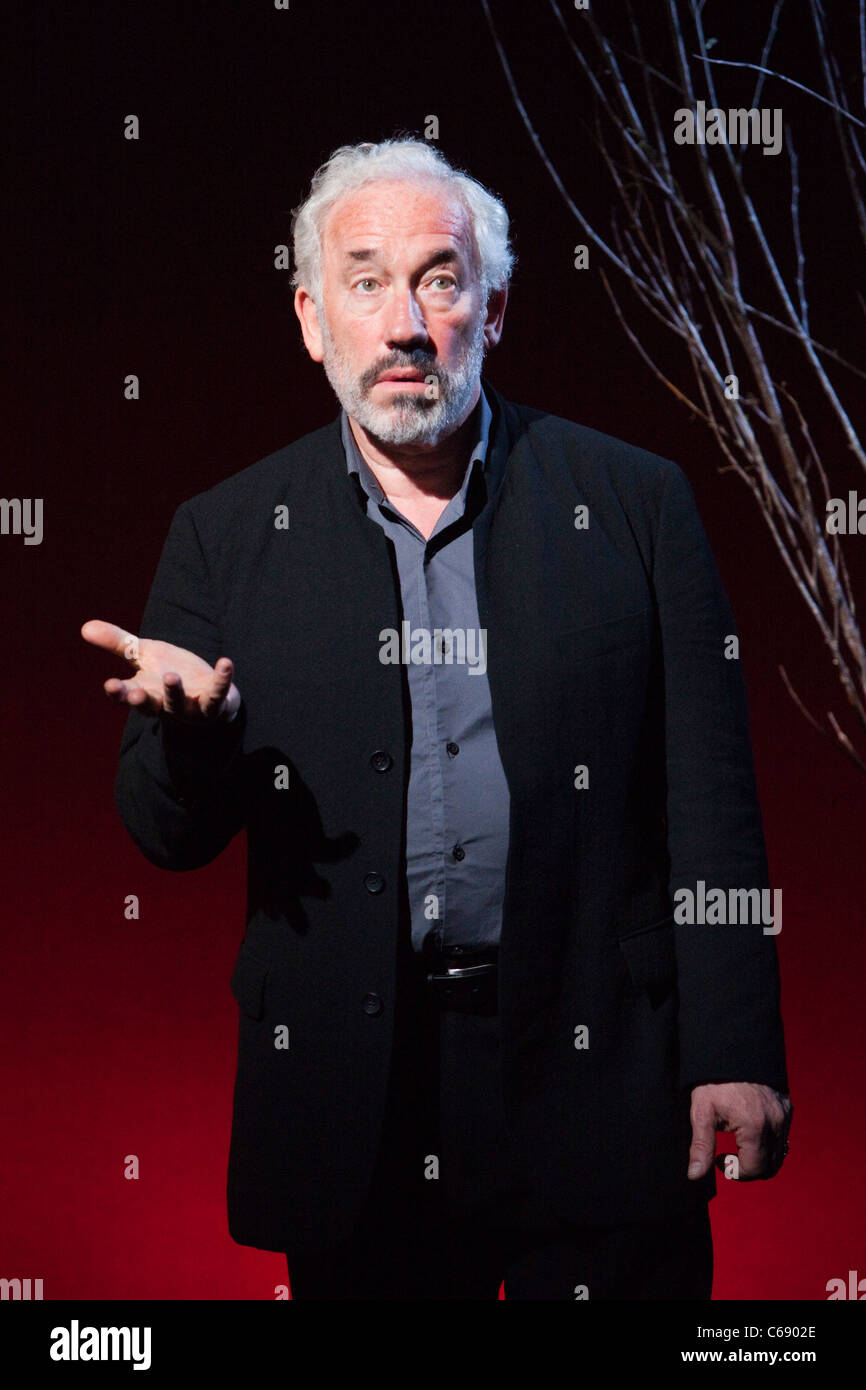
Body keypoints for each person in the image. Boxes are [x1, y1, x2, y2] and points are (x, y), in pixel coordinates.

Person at [81, 136, 792, 1301]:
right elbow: (167, 837)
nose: (405, 322)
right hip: (357, 1095)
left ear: (494, 310)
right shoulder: (224, 533)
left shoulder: (632, 503)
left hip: (599, 1070)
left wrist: (733, 1048)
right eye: (364, 282)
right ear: (313, 318)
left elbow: (709, 801)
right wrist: (194, 729)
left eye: (439, 279)